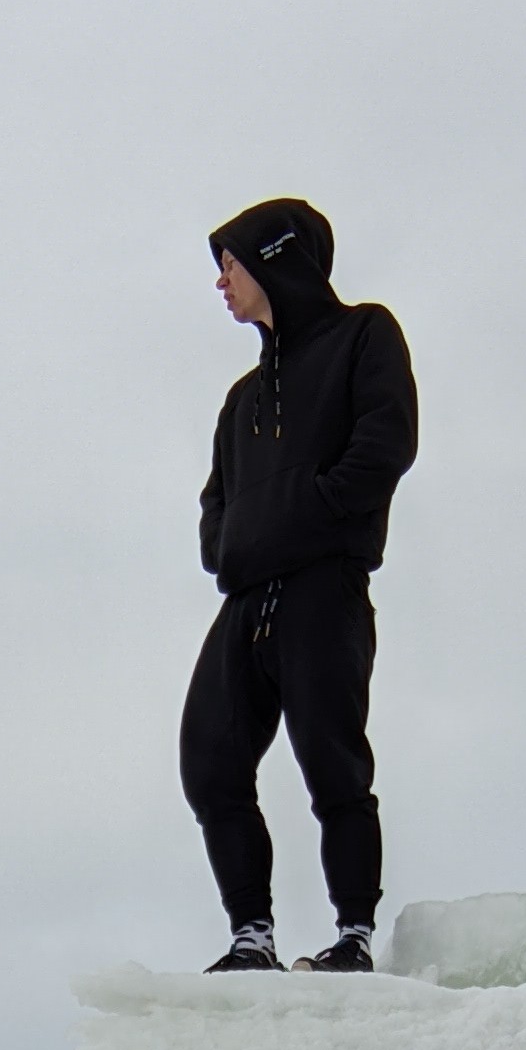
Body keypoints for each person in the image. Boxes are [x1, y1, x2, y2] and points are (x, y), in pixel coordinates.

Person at [181, 198, 419, 973]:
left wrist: (314, 512)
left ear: (276, 258)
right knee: (210, 764)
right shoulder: (240, 401)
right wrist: (229, 546)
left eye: (231, 264)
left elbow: (386, 443)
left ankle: (354, 936)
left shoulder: (363, 335)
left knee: (332, 760)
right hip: (247, 598)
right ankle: (252, 938)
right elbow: (215, 501)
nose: (221, 282)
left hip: (325, 587)